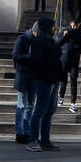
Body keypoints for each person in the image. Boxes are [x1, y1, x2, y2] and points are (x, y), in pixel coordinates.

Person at [25, 17, 63, 152]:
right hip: (44, 80)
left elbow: (57, 58)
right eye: (53, 26)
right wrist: (47, 76)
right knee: (40, 110)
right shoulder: (39, 41)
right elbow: (38, 62)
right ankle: (33, 140)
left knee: (50, 110)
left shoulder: (50, 40)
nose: (55, 28)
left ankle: (45, 140)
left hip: (53, 80)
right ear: (47, 27)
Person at [12, 23, 37, 144]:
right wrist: (31, 57)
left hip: (33, 77)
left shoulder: (37, 41)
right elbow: (15, 56)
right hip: (22, 76)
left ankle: (27, 132)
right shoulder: (22, 39)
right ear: (34, 31)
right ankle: (19, 132)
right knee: (21, 105)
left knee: (30, 106)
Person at [57, 19, 81, 113]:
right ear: (70, 23)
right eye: (74, 24)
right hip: (64, 59)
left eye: (77, 24)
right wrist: (64, 36)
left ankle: (73, 103)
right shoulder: (65, 31)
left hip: (74, 61)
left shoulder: (80, 35)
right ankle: (61, 97)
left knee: (74, 81)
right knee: (63, 81)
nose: (75, 26)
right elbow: (57, 43)